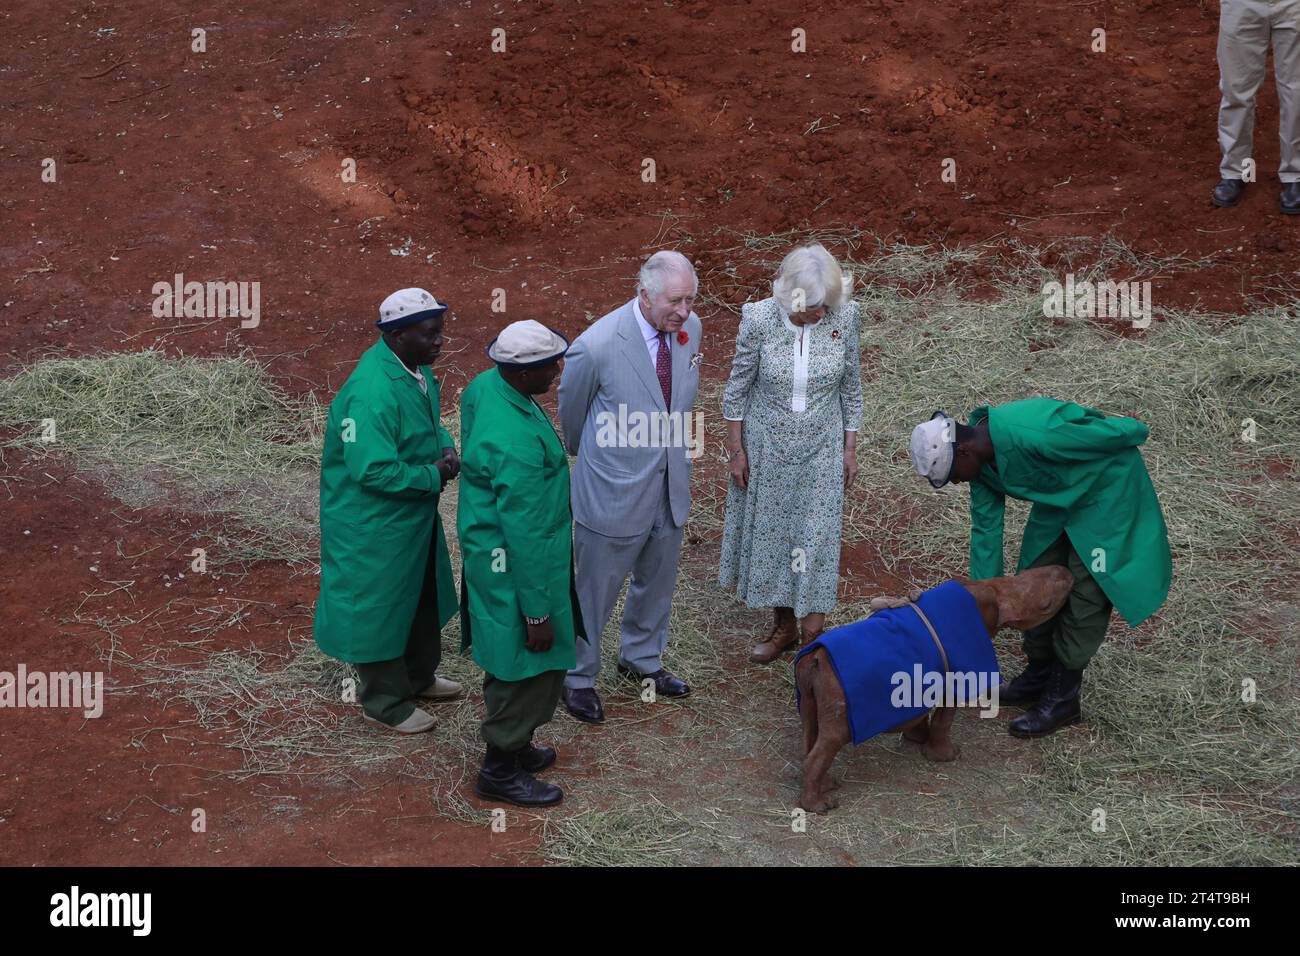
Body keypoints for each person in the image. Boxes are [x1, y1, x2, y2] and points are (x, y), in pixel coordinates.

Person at [908, 398, 1173, 737]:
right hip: (1061, 498)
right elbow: (986, 534)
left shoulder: (1039, 433)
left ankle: (1063, 698)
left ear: (963, 453)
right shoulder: (981, 466)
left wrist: (1133, 425)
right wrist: (979, 605)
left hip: (1108, 495)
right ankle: (1037, 676)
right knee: (1034, 579)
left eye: (954, 477)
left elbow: (1107, 435)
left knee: (1085, 593)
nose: (958, 484)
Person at [556, 250, 702, 723]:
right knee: (593, 591)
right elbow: (572, 421)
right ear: (644, 294)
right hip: (612, 493)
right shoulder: (595, 345)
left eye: (690, 299)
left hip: (669, 487)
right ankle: (577, 677)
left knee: (656, 583)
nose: (684, 312)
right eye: (675, 301)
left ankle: (641, 659)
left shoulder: (690, 330)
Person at [313, 288, 462, 734]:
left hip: (408, 516)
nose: (439, 342)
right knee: (377, 609)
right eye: (428, 334)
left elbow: (427, 425)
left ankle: (417, 677)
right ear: (396, 335)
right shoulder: (372, 391)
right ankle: (384, 702)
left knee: (418, 596)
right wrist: (434, 475)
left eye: (440, 332)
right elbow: (373, 470)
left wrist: (447, 446)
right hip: (373, 523)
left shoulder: (413, 370)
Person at [458, 320, 586, 807]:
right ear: (521, 372)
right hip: (523, 567)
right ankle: (499, 768)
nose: (558, 371)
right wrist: (538, 613)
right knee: (528, 664)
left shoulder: (484, 388)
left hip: (488, 553)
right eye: (549, 366)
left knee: (503, 649)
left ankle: (517, 744)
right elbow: (528, 536)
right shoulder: (515, 445)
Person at [719, 242, 862, 663]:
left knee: (817, 534)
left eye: (826, 305)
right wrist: (735, 450)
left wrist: (849, 447)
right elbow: (738, 387)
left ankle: (813, 636)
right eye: (812, 306)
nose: (821, 314)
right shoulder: (759, 319)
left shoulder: (845, 317)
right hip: (768, 447)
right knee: (775, 534)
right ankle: (783, 625)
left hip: (822, 446)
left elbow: (851, 384)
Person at [1212, 0, 1300, 213]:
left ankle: (1294, 174)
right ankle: (1239, 172)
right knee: (1237, 92)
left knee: (1296, 93)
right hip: (1242, 4)